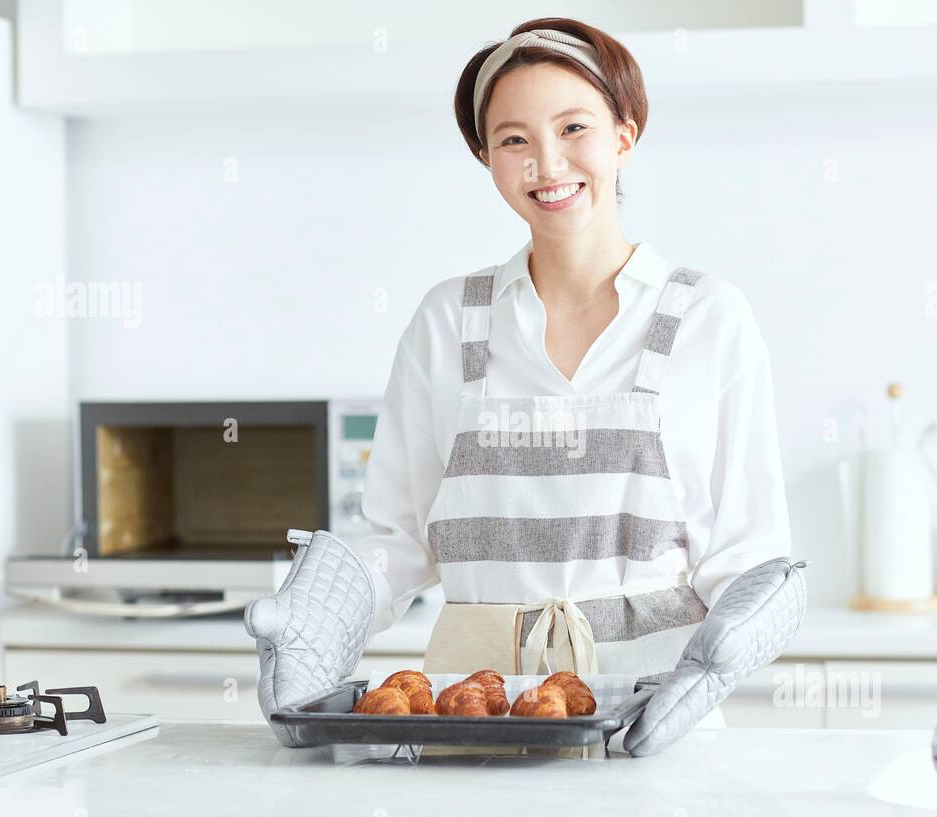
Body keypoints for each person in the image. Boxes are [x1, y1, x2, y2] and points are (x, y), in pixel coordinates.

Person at [247, 18, 806, 755]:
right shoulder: (450, 319)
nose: (548, 163)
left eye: (574, 127)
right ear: (486, 157)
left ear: (622, 137)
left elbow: (752, 557)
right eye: (514, 140)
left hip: (661, 727)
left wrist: (716, 662)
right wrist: (314, 618)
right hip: (468, 724)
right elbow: (396, 537)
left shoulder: (709, 318)